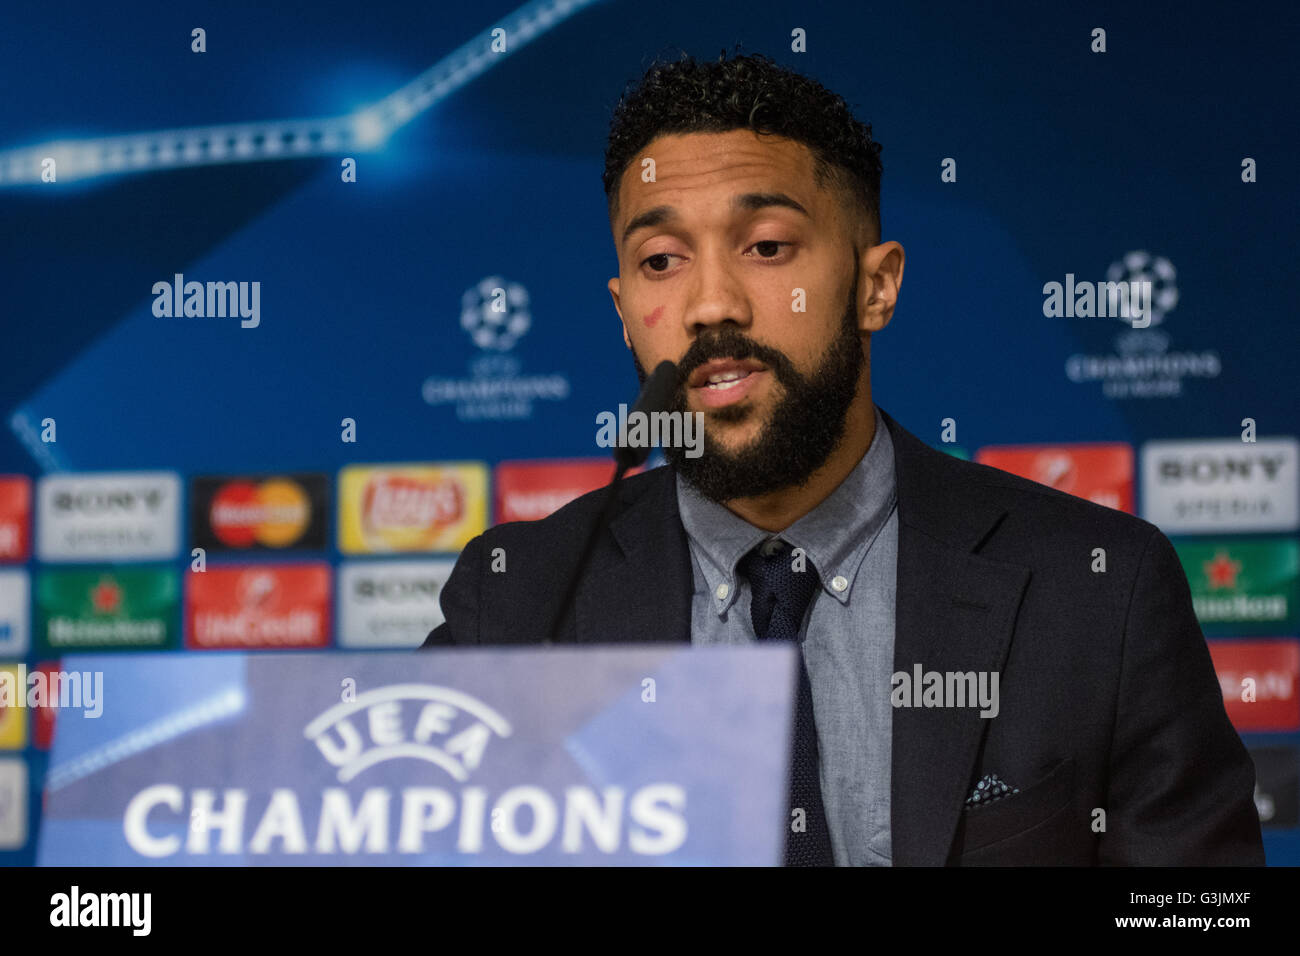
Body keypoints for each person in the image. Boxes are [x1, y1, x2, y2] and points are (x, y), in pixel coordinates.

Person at [423, 51, 1264, 867]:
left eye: (766, 247)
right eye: (660, 262)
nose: (710, 303)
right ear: (624, 310)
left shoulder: (1098, 591)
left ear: (876, 287)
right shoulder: (517, 604)